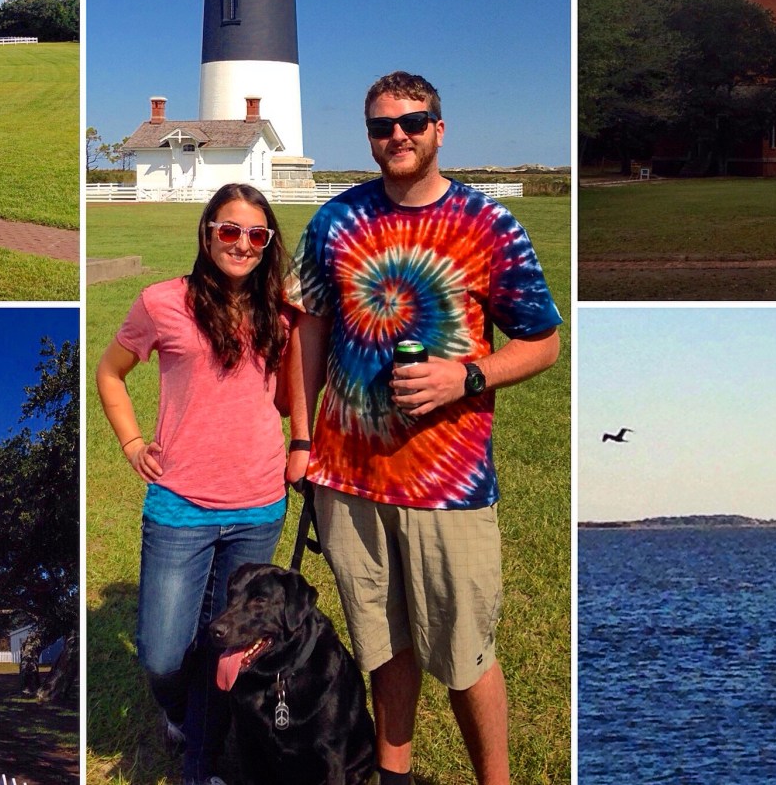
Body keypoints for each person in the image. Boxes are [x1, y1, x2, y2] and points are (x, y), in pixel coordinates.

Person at [285, 71, 562, 785]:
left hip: (450, 483)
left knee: (466, 655)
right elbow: (309, 332)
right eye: (382, 126)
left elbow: (542, 341)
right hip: (348, 479)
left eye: (413, 121)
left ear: (440, 127)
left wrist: (464, 376)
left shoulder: (489, 224)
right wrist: (302, 438)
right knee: (383, 647)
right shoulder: (336, 222)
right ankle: (393, 773)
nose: (397, 136)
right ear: (369, 136)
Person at [96, 183, 309, 785]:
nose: (242, 244)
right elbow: (109, 373)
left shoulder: (283, 313)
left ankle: (202, 765)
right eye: (229, 231)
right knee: (163, 653)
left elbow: (298, 390)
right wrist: (133, 443)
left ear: (268, 245)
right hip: (180, 505)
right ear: (207, 231)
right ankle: (176, 708)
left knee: (227, 647)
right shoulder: (162, 302)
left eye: (256, 236)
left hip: (258, 503)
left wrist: (301, 442)